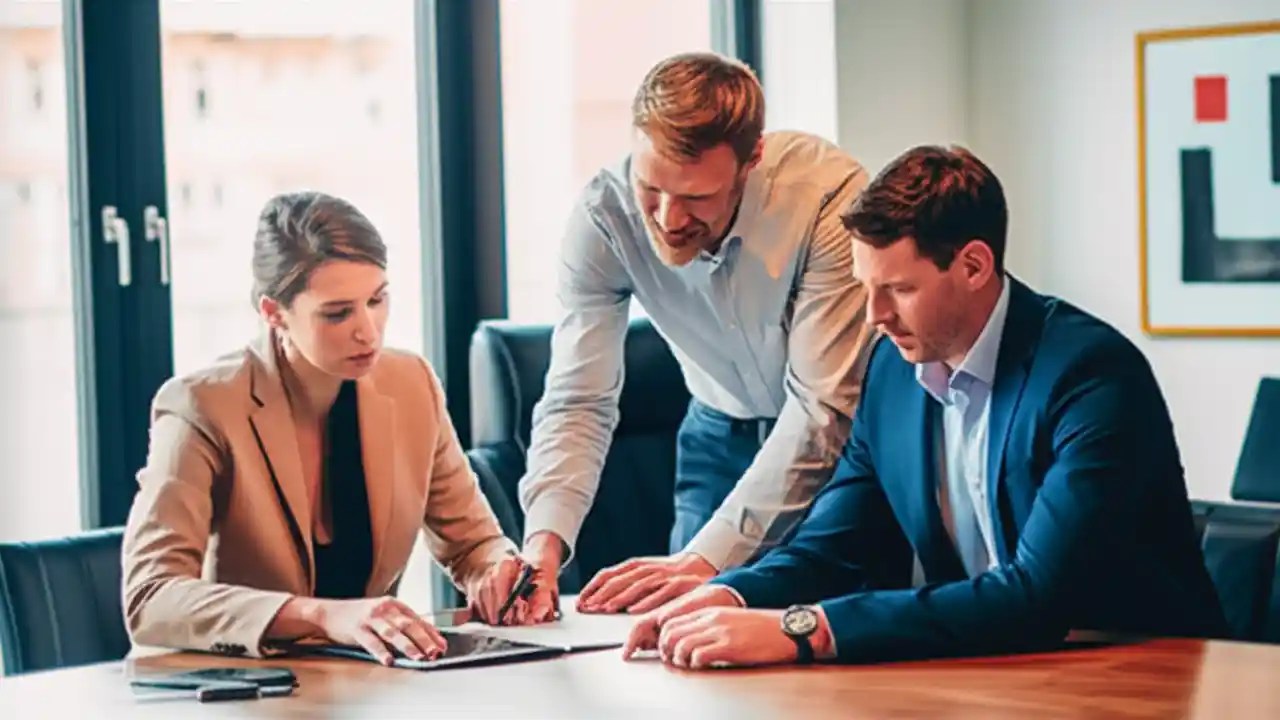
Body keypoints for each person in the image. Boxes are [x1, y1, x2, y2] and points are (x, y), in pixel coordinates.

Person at [623, 145, 1227, 669]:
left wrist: (803, 629)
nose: (874, 317)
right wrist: (728, 597)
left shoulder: (1089, 375)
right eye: (866, 288)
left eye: (899, 290)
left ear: (973, 266)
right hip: (992, 671)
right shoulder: (893, 370)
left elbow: (1039, 594)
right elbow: (833, 546)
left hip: (1142, 672)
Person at [517, 51, 875, 620]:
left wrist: (704, 560)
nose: (667, 217)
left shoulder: (828, 196)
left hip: (839, 443)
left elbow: (822, 409)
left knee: (826, 634)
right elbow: (578, 398)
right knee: (681, 636)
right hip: (715, 435)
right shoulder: (604, 216)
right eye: (650, 187)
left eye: (697, 198)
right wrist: (543, 544)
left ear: (751, 159)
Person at [122, 191, 532, 666]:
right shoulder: (202, 406)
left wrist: (499, 576)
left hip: (367, 687)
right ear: (274, 313)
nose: (369, 331)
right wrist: (321, 616)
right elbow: (151, 597)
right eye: (338, 313)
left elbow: (474, 544)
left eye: (377, 300)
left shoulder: (410, 384)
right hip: (241, 691)